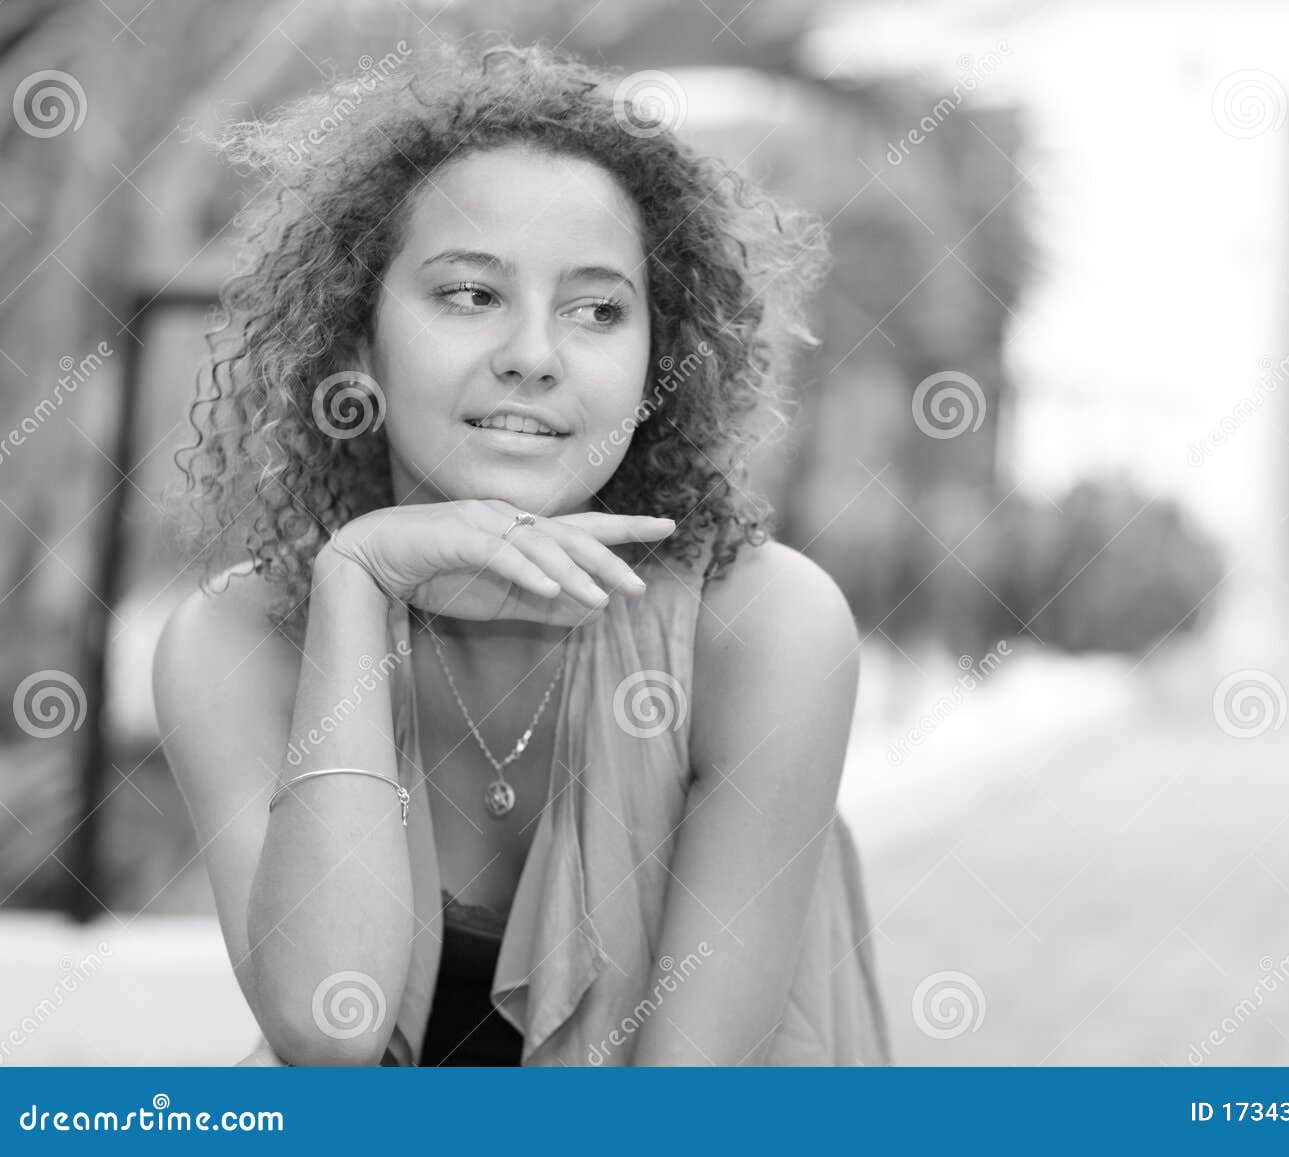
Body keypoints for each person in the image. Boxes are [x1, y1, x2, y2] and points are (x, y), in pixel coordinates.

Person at [153, 36, 890, 1067]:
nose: (534, 357)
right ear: (357, 340)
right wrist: (358, 583)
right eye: (470, 293)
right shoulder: (235, 639)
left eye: (596, 310)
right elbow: (330, 1023)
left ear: (652, 366)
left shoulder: (763, 628)